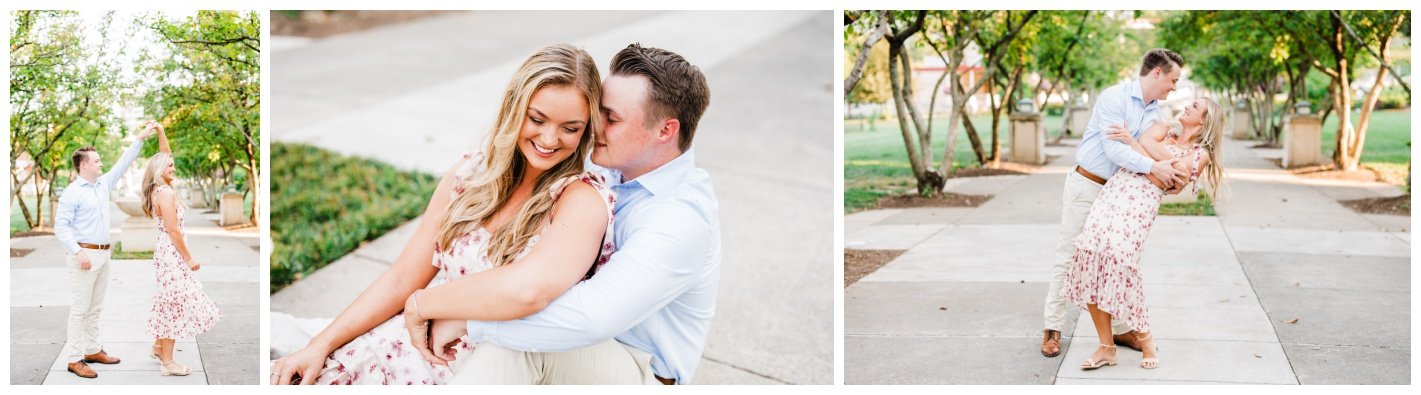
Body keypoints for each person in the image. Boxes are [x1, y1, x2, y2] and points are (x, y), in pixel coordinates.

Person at [270, 43, 616, 385]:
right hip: (390, 347)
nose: (550, 138)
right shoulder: (472, 174)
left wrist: (424, 304)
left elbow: (528, 291)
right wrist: (320, 345)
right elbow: (402, 277)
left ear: (587, 129)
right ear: (513, 108)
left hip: (466, 372)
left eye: (570, 128)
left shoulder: (581, 199)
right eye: (536, 119)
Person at [432, 43, 719, 386]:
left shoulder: (679, 220)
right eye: (598, 111)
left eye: (611, 117)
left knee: (518, 345)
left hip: (638, 371)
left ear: (665, 131)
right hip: (589, 347)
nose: (594, 125)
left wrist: (468, 319)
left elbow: (590, 317)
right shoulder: (615, 165)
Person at [1041, 48, 1190, 358]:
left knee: (1115, 263)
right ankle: (1052, 328)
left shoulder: (1156, 116)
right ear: (1157, 73)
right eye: (1173, 80)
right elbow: (1115, 151)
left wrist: (1173, 174)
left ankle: (1120, 331)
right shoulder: (1114, 98)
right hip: (1088, 184)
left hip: (1118, 194)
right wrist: (1155, 167)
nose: (1175, 87)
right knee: (1070, 256)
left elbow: (1151, 153)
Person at [1064, 96, 1226, 370]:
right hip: (1113, 193)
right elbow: (1160, 169)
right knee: (1091, 261)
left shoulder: (1201, 154)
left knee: (1122, 267)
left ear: (1204, 122)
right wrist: (1156, 163)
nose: (1187, 106)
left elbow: (1169, 178)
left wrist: (1138, 148)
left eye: (1195, 107)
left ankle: (1146, 338)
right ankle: (1106, 347)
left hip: (1138, 208)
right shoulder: (1162, 128)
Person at [54, 123, 157, 378]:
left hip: (104, 254)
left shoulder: (103, 184)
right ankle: (74, 359)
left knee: (95, 308)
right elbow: (61, 227)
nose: (101, 164)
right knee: (80, 310)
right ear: (83, 165)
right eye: (97, 161)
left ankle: (92, 350)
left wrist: (140, 138)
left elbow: (123, 162)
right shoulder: (72, 193)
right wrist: (78, 252)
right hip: (84, 256)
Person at [140, 121, 222, 376]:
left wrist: (161, 132)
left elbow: (165, 155)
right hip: (172, 254)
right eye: (170, 166)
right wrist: (189, 258)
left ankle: (158, 347)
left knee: (170, 300)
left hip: (165, 252)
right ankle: (168, 363)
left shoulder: (157, 189)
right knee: (173, 305)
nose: (174, 167)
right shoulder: (165, 193)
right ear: (159, 170)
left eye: (173, 164)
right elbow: (174, 230)